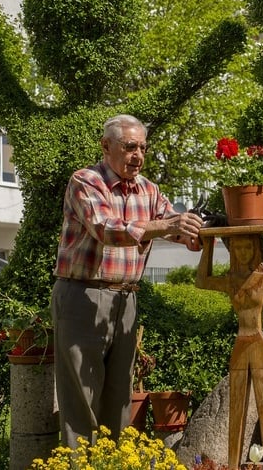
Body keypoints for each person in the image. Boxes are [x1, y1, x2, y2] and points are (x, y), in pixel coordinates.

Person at [52, 114, 204, 446]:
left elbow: (170, 223)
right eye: (130, 147)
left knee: (119, 399)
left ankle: (112, 463)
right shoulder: (86, 181)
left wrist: (194, 234)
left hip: (126, 300)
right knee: (82, 402)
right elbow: (106, 229)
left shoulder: (149, 188)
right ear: (106, 146)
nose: (138, 156)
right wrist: (169, 227)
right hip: (83, 296)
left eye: (143, 148)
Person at [195, 224, 263, 470]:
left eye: (247, 247)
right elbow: (202, 281)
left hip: (258, 342)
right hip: (240, 344)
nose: (242, 251)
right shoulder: (232, 279)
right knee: (236, 408)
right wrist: (207, 247)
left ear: (255, 250)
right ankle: (233, 465)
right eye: (237, 247)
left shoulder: (261, 278)